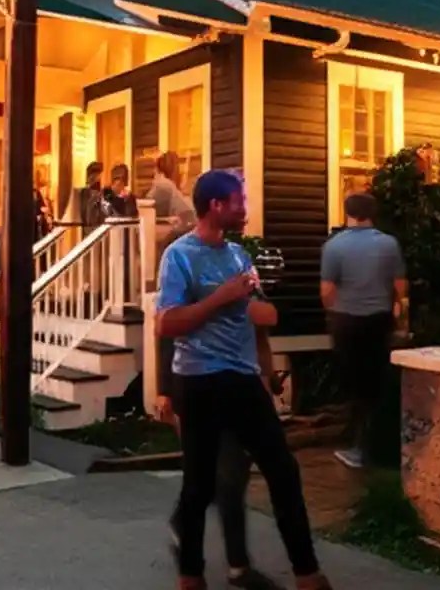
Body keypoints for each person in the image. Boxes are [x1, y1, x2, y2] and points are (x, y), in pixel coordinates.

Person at [158, 170, 330, 590]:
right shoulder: (179, 256)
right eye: (239, 200)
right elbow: (167, 323)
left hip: (243, 379)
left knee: (284, 471)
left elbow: (257, 315)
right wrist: (221, 298)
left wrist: (266, 361)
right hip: (198, 381)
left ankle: (306, 573)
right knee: (199, 484)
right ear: (216, 205)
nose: (245, 207)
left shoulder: (239, 256)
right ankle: (191, 574)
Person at [157, 264, 282, 590]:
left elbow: (269, 318)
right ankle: (238, 564)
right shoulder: (189, 299)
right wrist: (165, 392)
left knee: (225, 475)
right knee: (228, 474)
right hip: (207, 393)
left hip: (246, 391)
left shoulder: (236, 291)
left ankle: (184, 524)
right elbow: (169, 341)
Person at [320, 192, 408, 469]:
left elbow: (327, 291)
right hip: (380, 320)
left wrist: (333, 314)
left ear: (347, 212)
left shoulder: (334, 246)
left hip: (347, 322)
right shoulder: (389, 244)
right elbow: (400, 287)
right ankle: (381, 449)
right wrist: (399, 316)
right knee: (378, 385)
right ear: (373, 213)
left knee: (356, 388)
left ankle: (362, 451)